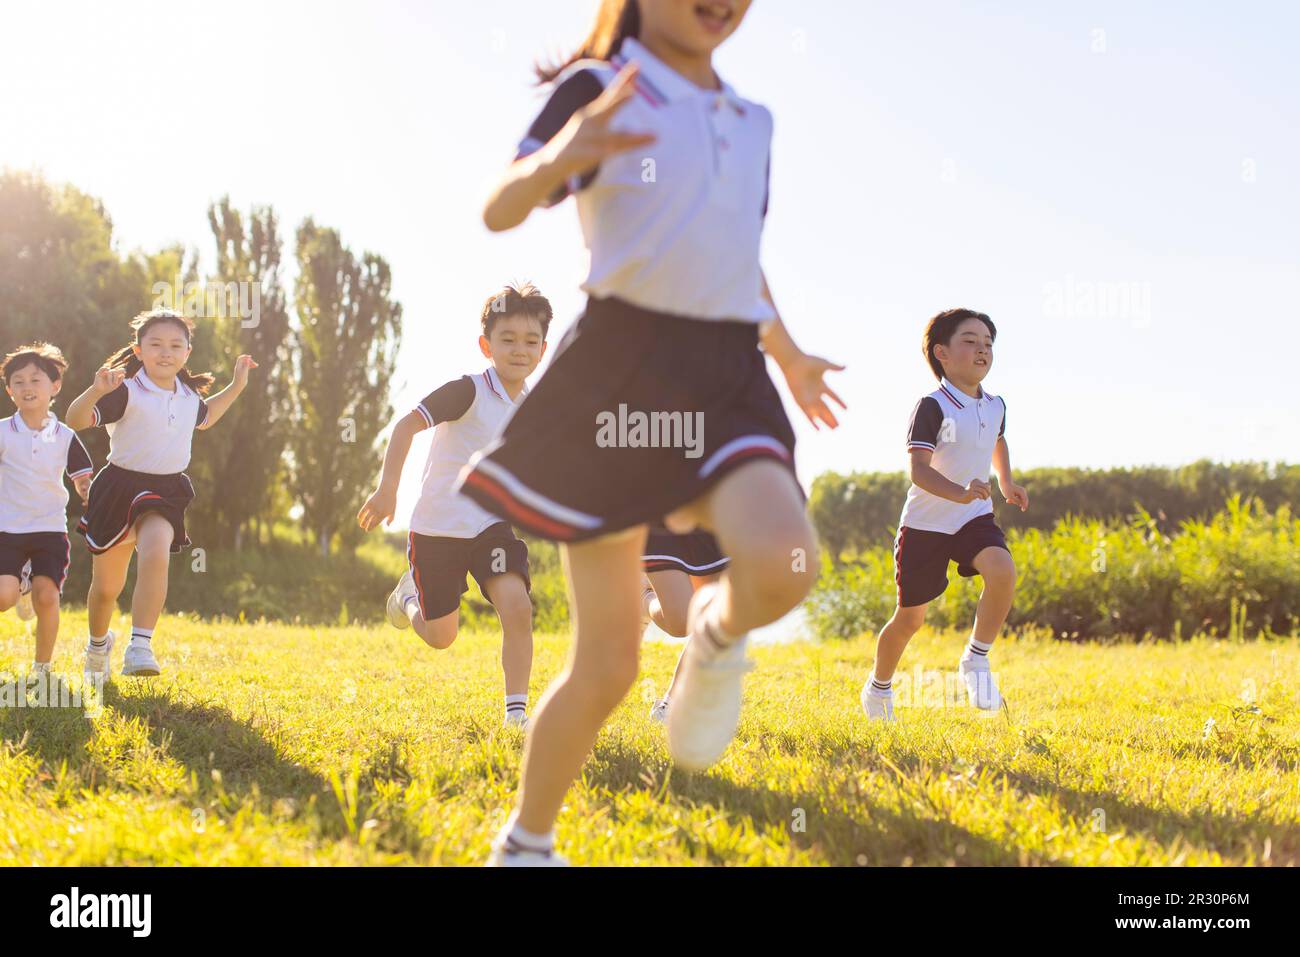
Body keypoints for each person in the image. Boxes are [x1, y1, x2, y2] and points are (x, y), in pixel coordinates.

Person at [462, 0, 845, 865]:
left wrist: (787, 355)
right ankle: (526, 842)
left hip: (726, 375)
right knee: (609, 664)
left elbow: (738, 257)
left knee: (787, 562)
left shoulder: (753, 122)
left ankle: (714, 634)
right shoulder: (602, 87)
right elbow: (500, 207)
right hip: (618, 372)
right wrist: (565, 156)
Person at [358, 284, 549, 727]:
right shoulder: (468, 391)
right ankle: (408, 596)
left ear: (543, 348)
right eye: (508, 339)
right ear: (486, 345)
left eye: (531, 341)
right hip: (438, 529)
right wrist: (388, 489)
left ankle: (516, 715)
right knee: (442, 636)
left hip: (491, 530)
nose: (520, 350)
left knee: (517, 607)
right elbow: (406, 426)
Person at [65, 310, 256, 678]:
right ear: (138, 350)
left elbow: (206, 416)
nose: (165, 352)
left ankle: (140, 645)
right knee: (107, 588)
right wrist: (96, 390)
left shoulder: (186, 396)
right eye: (155, 344)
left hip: (167, 490)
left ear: (187, 352)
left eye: (174, 345)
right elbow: (74, 420)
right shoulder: (126, 391)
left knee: (156, 551)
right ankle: (98, 644)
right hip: (118, 487)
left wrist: (237, 385)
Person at [861, 308, 1028, 722]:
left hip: (973, 517)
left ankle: (976, 658)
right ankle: (879, 688)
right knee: (910, 619)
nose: (982, 350)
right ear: (943, 353)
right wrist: (958, 492)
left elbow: (997, 440)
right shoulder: (932, 407)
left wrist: (1005, 482)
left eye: (988, 343)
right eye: (970, 341)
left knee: (1003, 571)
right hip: (926, 525)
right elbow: (919, 471)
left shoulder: (995, 405)